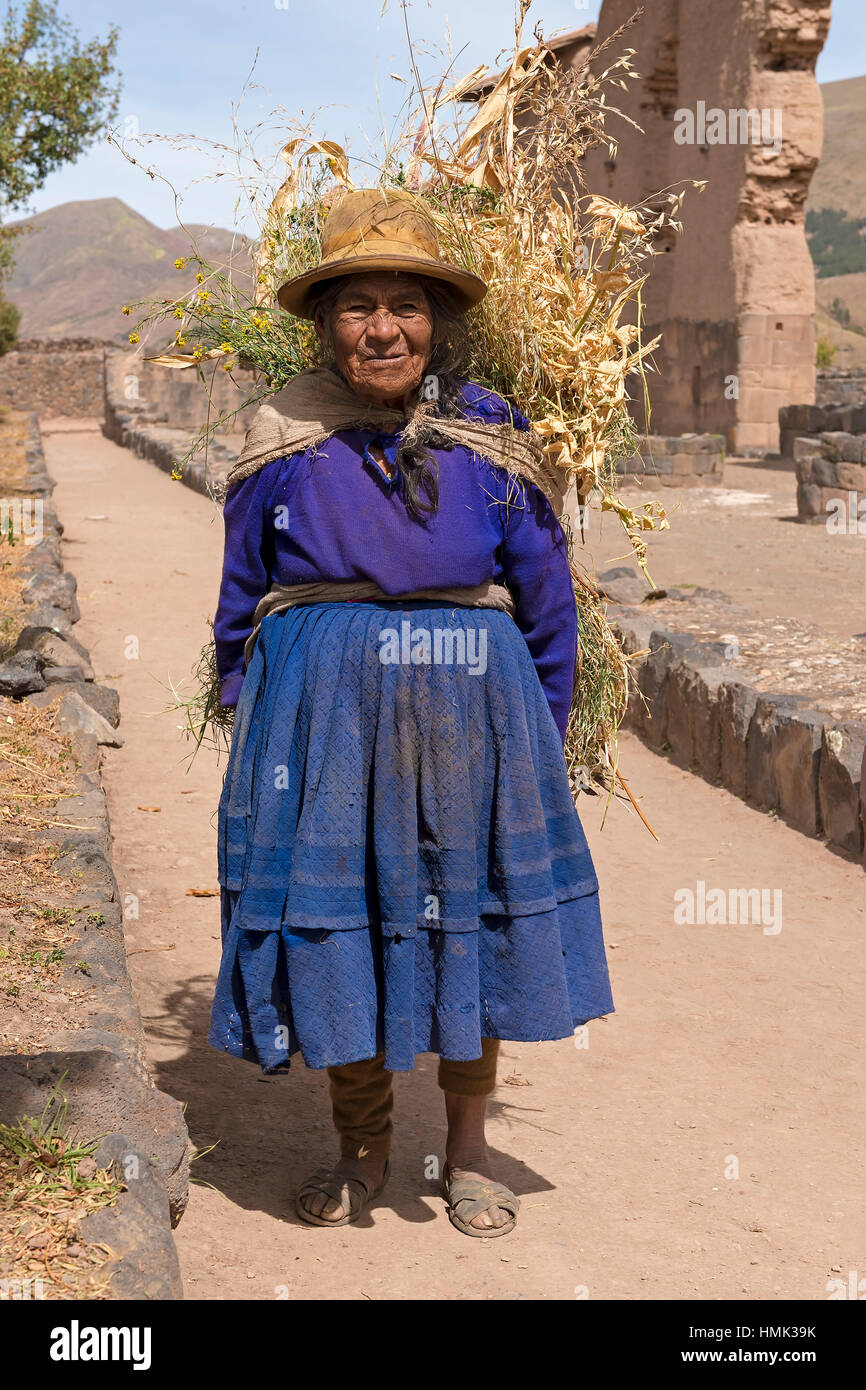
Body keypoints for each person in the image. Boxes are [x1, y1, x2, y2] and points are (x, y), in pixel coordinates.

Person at [209, 188, 614, 1237]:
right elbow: (238, 605)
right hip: (325, 729)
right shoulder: (282, 443)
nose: (381, 327)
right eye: (355, 306)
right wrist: (259, 728)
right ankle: (359, 1151)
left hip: (473, 722)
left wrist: (543, 735)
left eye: (405, 305)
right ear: (323, 322)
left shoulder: (488, 438)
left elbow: (546, 599)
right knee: (341, 928)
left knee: (462, 923)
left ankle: (467, 1153)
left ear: (438, 322)